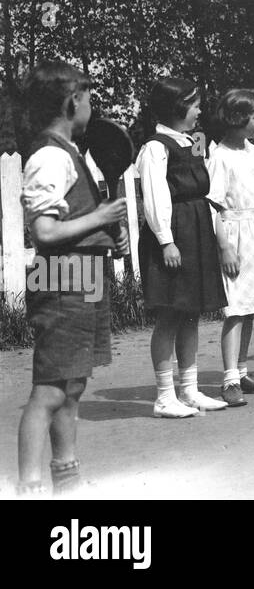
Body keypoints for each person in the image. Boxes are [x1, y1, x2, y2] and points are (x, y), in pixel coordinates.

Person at [16, 62, 129, 495]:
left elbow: (75, 221)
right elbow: (44, 232)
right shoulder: (48, 156)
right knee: (49, 390)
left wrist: (105, 235)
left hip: (83, 275)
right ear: (71, 102)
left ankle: (66, 479)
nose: (90, 105)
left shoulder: (70, 152)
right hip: (61, 279)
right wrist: (100, 217)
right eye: (87, 97)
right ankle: (28, 486)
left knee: (72, 385)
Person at [136, 77, 229, 415]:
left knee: (190, 314)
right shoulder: (156, 147)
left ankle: (189, 390)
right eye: (194, 104)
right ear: (177, 108)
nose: (199, 110)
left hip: (196, 227)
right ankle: (164, 395)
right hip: (174, 233)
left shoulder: (191, 142)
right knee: (169, 315)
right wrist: (166, 241)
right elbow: (155, 196)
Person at [207, 89, 254, 407]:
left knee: (250, 306)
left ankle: (242, 371)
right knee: (235, 308)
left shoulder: (251, 151)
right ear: (238, 119)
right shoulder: (220, 157)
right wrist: (224, 248)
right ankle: (229, 380)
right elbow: (212, 206)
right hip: (234, 234)